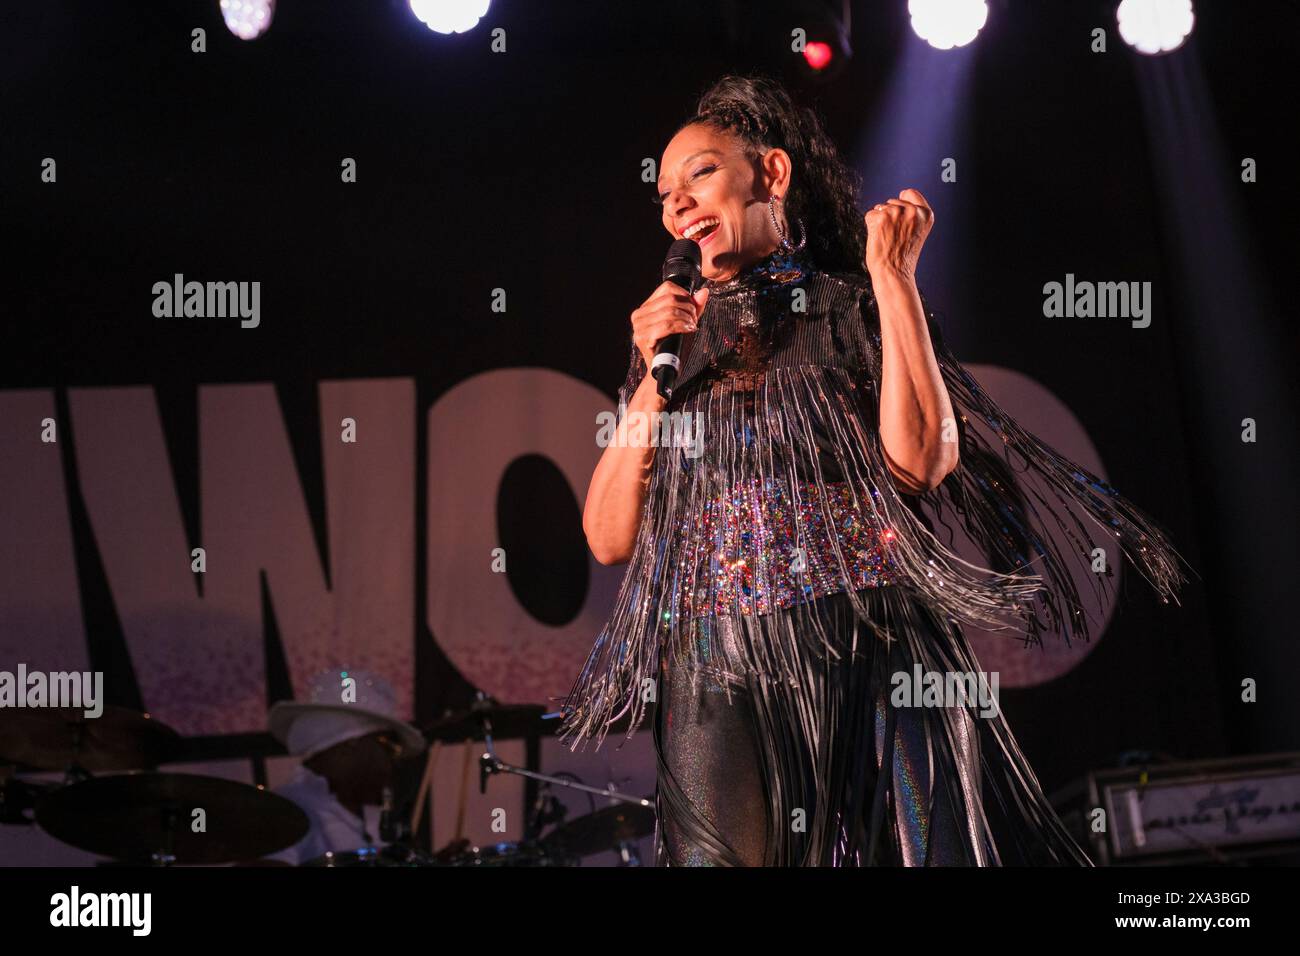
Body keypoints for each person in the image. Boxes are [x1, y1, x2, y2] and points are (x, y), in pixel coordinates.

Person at [560, 74, 1188, 866]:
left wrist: (892, 280)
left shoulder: (849, 308)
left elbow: (921, 464)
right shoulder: (668, 341)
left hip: (870, 634)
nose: (676, 203)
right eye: (662, 193)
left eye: (701, 173)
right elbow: (609, 538)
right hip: (712, 657)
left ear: (773, 174)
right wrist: (652, 379)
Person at [264, 669, 424, 865]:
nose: (394, 761)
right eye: (389, 747)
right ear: (349, 747)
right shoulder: (285, 813)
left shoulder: (372, 817)